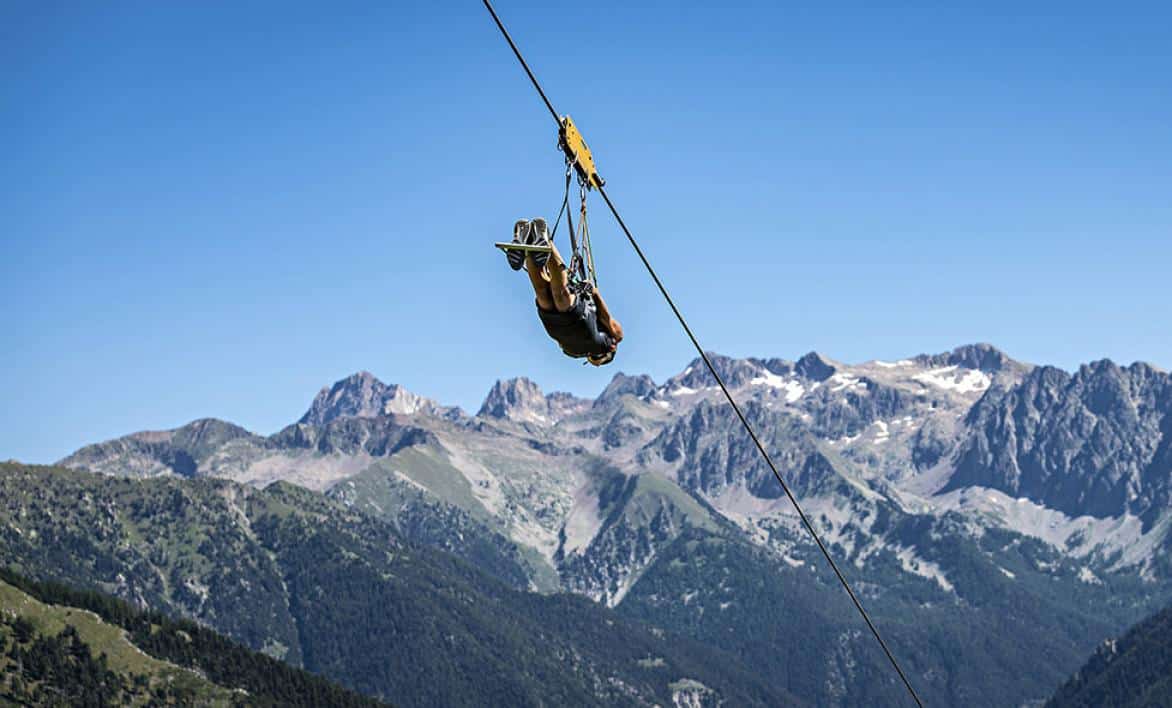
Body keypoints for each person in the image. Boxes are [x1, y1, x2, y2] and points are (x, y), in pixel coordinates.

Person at [505, 217, 623, 366]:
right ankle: (534, 244)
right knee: (548, 294)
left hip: (569, 323)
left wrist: (594, 293)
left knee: (554, 293)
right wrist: (594, 293)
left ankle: (533, 241)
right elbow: (606, 319)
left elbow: (606, 319)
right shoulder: (610, 341)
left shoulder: (594, 346)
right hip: (561, 324)